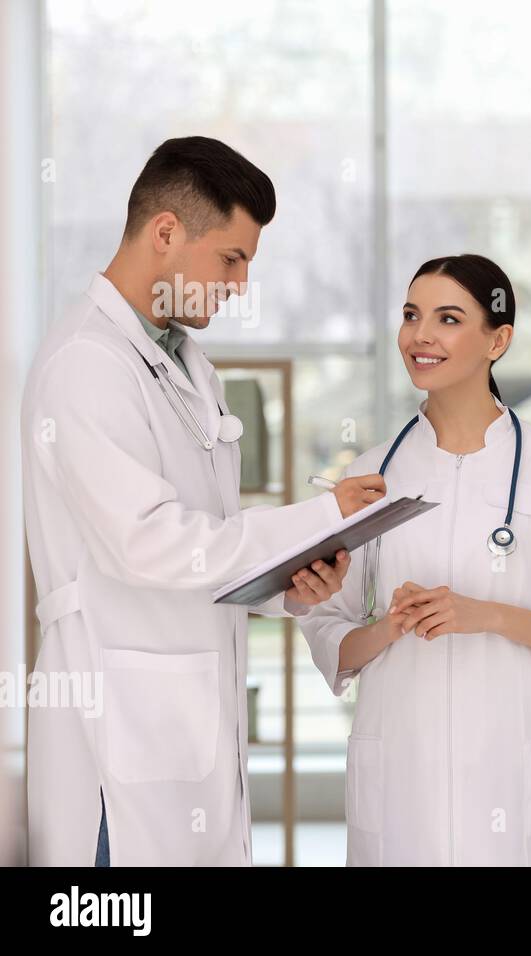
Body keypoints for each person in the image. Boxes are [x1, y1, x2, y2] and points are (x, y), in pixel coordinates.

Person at [21, 137, 384, 866]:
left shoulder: (186, 364)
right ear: (165, 234)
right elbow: (149, 543)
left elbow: (207, 542)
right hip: (117, 757)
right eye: (231, 258)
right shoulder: (86, 365)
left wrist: (293, 582)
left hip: (185, 740)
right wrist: (318, 519)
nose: (241, 283)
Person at [299, 254, 531, 866]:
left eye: (448, 318)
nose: (420, 335)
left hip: (513, 758)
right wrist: (388, 628)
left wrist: (488, 615)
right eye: (411, 315)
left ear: (498, 340)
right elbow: (326, 631)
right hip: (403, 763)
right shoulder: (370, 474)